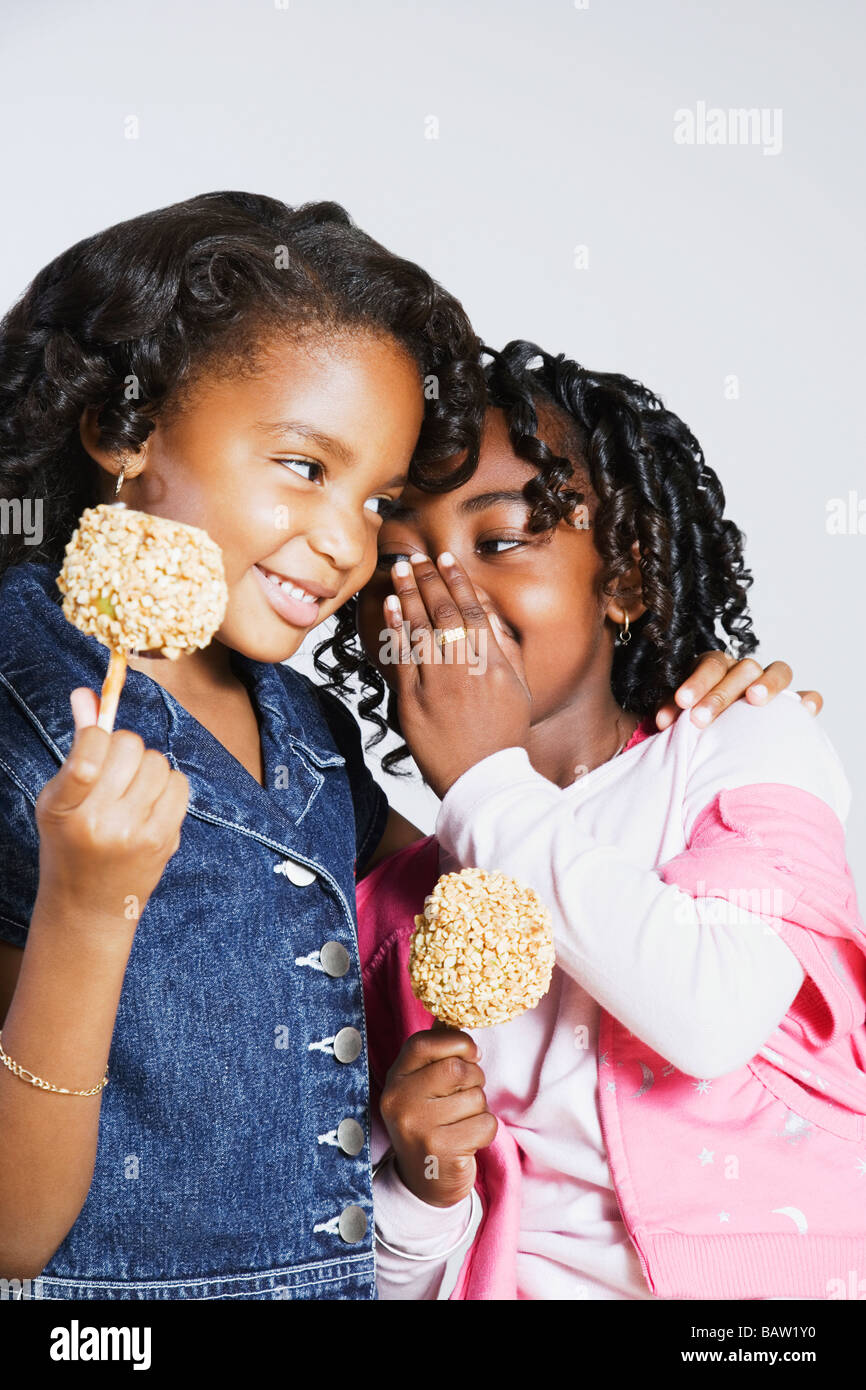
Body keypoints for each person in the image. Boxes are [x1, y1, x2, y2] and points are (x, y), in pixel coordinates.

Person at [0, 189, 487, 1299]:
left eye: (376, 500)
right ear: (125, 428)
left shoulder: (301, 720)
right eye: (305, 467)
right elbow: (11, 1232)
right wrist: (86, 906)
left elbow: (466, 894)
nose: (342, 543)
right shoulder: (15, 708)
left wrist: (675, 729)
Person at [339, 341, 860, 1300]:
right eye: (399, 561)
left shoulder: (739, 745)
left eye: (498, 543)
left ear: (623, 576)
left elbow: (710, 1016)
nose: (445, 593)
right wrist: (421, 1191)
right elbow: (393, 1280)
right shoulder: (395, 911)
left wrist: (485, 782)